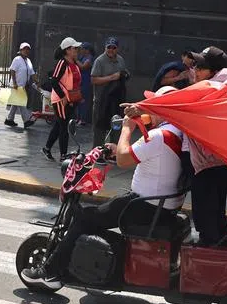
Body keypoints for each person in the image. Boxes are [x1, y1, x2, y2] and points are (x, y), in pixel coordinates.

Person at [24, 113, 185, 289]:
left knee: (84, 218)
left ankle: (50, 272)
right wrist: (118, 150)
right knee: (103, 211)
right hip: (158, 205)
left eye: (151, 107)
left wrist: (127, 127)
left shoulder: (158, 136)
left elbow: (124, 160)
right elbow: (139, 155)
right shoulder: (176, 133)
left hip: (144, 206)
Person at [184, 46, 227, 245]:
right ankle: (217, 240)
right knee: (215, 210)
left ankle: (209, 250)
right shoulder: (223, 88)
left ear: (215, 72)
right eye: (195, 66)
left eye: (202, 68)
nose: (195, 71)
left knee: (206, 212)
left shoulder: (213, 89)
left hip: (208, 163)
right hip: (218, 161)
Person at [43, 37, 82, 160]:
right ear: (68, 50)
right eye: (75, 48)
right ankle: (63, 155)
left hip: (71, 99)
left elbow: (74, 82)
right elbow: (54, 81)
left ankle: (47, 148)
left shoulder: (74, 63)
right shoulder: (62, 63)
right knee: (64, 127)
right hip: (61, 100)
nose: (77, 50)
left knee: (60, 125)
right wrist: (63, 97)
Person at [91, 36, 129, 146]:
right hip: (101, 101)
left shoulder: (120, 60)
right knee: (99, 128)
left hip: (116, 101)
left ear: (117, 49)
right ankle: (98, 151)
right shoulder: (99, 61)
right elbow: (93, 79)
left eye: (114, 47)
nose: (111, 50)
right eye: (109, 47)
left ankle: (113, 151)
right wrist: (112, 77)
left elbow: (123, 73)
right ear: (105, 48)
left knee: (116, 125)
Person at [6, 42, 36, 128]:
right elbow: (12, 71)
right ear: (20, 50)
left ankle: (9, 119)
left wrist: (36, 80)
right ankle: (26, 121)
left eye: (28, 49)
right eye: (24, 49)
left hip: (23, 86)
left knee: (16, 103)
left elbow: (32, 72)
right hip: (16, 85)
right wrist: (15, 83)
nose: (26, 51)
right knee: (21, 103)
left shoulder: (28, 61)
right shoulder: (17, 59)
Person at [74, 42, 95, 129]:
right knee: (78, 100)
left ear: (87, 50)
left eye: (83, 49)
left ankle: (83, 119)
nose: (81, 50)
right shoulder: (82, 57)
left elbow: (83, 67)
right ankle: (78, 118)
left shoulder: (89, 58)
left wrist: (76, 60)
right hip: (80, 81)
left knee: (84, 101)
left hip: (86, 82)